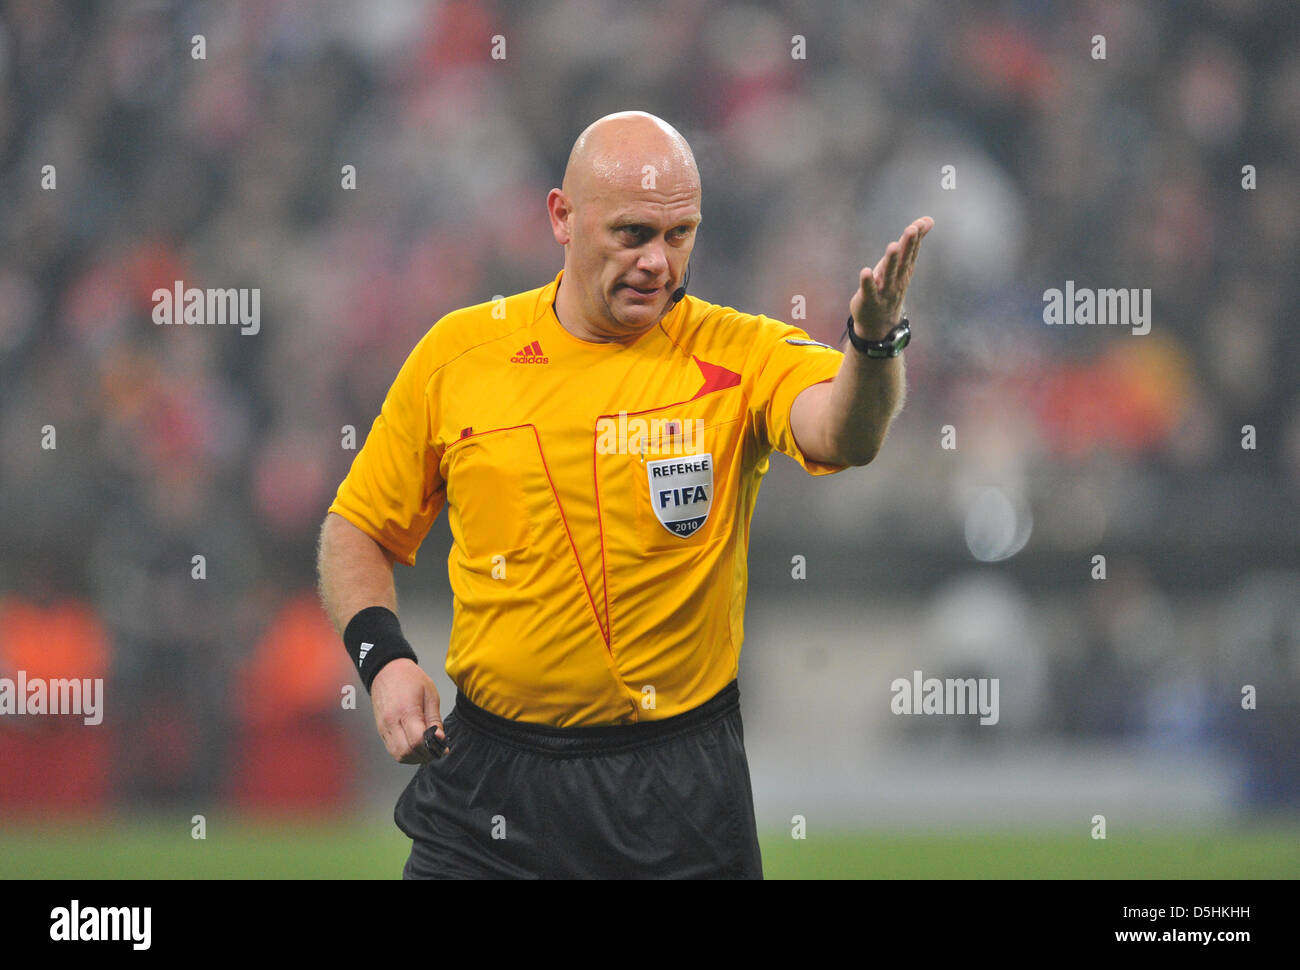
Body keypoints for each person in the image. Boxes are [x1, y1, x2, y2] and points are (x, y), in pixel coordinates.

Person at [316, 110, 932, 878]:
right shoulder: (460, 355)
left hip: (676, 787)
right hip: (490, 788)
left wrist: (871, 347)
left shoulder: (740, 353)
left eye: (680, 235)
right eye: (633, 233)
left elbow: (846, 433)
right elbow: (358, 529)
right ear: (562, 218)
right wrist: (385, 661)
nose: (658, 263)